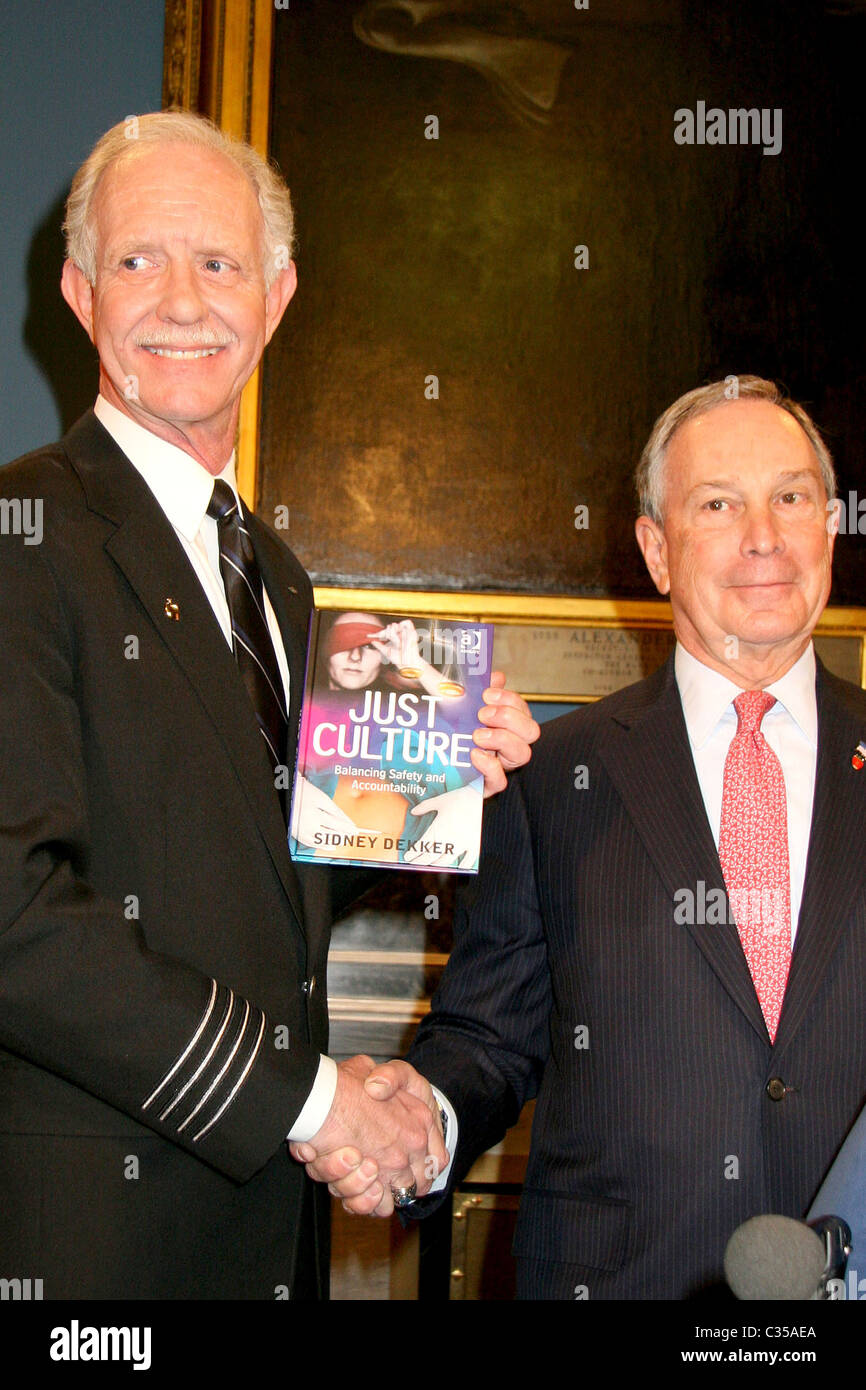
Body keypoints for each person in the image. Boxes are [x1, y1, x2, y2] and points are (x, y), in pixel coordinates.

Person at [0, 110, 539, 1300]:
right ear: (81, 295)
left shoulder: (276, 579)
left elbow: (260, 873)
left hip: (258, 1243)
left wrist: (436, 777)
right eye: (138, 260)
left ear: (278, 296)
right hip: (91, 1252)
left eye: (219, 263)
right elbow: (15, 914)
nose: (182, 300)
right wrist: (314, 1098)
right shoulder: (21, 537)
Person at [303, 376, 866, 1298]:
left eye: (792, 497)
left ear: (829, 527)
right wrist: (422, 1115)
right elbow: (489, 1037)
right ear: (656, 549)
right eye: (718, 503)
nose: (764, 535)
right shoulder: (552, 779)